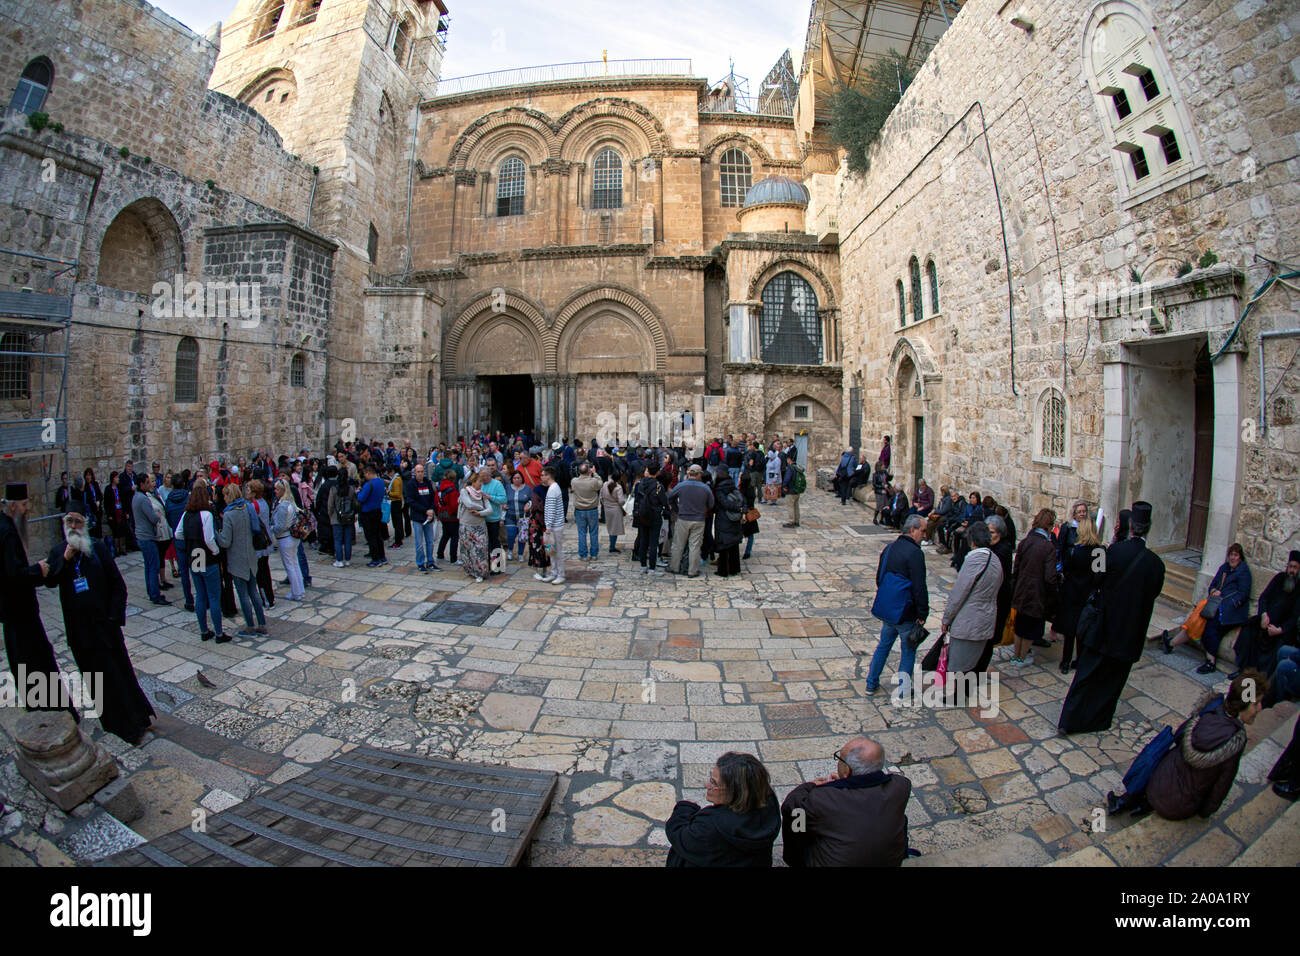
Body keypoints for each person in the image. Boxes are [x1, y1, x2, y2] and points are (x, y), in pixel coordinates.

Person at [44, 507, 155, 744]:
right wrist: (65, 559)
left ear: (84, 523)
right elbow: (51, 581)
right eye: (69, 521)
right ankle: (118, 727)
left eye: (77, 521)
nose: (73, 526)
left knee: (120, 674)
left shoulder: (97, 548)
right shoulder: (57, 553)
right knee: (98, 681)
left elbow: (117, 584)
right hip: (81, 633)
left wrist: (114, 618)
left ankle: (137, 720)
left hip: (105, 627)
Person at [1059, 501, 1166, 735]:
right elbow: (1154, 592)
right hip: (1130, 631)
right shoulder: (1156, 565)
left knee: (1086, 674)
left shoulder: (1109, 552)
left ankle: (1069, 720)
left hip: (1103, 625)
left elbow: (1095, 579)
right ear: (1147, 528)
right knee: (1113, 681)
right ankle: (1098, 719)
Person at [1110, 672, 1268, 821]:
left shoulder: (1211, 708)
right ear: (1242, 705)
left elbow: (1179, 737)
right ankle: (1143, 805)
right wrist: (1206, 812)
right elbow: (1222, 784)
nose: (1260, 708)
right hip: (1178, 806)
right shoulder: (1235, 739)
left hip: (1156, 783)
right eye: (1256, 704)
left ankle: (1130, 801)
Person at [1, 483, 73, 717]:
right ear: (12, 506)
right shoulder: (8, 533)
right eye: (23, 505)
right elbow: (14, 576)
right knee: (36, 662)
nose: (27, 509)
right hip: (20, 613)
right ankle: (51, 711)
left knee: (28, 663)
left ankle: (42, 707)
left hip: (14, 614)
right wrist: (38, 570)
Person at [780, 737, 911, 867]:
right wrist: (843, 784)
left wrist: (809, 786)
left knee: (798, 819)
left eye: (840, 759)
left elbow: (792, 806)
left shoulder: (821, 799)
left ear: (847, 770)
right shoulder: (901, 786)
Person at [665, 752, 779, 867]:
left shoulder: (711, 826)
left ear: (733, 791)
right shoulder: (767, 798)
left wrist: (685, 808)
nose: (707, 785)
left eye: (714, 783)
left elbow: (678, 834)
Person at [1165, 543, 1252, 674]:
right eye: (1231, 555)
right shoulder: (1224, 568)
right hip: (1215, 606)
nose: (1233, 558)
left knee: (1210, 626)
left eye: (1236, 555)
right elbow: (1213, 585)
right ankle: (1171, 643)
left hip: (1231, 611)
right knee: (1197, 619)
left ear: (1240, 557)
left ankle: (1210, 662)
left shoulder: (1243, 572)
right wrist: (1214, 591)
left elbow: (1243, 594)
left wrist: (1223, 600)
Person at [866, 515, 929, 695]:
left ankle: (871, 682)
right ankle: (903, 691)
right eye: (923, 531)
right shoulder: (915, 553)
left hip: (890, 610)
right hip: (906, 613)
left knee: (883, 646)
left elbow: (880, 578)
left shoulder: (889, 548)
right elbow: (919, 586)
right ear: (912, 530)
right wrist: (923, 612)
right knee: (908, 651)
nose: (924, 535)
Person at [940, 521, 1003, 679]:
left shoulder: (974, 560)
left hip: (968, 620)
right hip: (986, 619)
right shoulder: (995, 560)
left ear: (972, 540)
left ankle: (955, 695)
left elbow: (958, 594)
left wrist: (947, 619)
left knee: (958, 664)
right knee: (973, 662)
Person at [1231, 550, 1300, 674]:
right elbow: (1264, 598)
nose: (1291, 570)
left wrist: (1279, 630)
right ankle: (1244, 669)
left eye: (1295, 568)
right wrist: (1263, 614)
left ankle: (1261, 678)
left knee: (1278, 648)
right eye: (1290, 566)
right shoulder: (1279, 578)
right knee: (1248, 631)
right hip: (1266, 620)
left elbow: (1295, 616)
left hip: (1281, 629)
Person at [1009, 509, 1062, 667]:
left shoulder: (1025, 542)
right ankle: (1023, 657)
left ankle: (1016, 656)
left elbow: (1016, 568)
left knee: (1020, 625)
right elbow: (1050, 577)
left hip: (1021, 590)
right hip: (1037, 594)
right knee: (1030, 628)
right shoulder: (1048, 547)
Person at [216, 483, 267, 638]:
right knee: (254, 592)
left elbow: (225, 541)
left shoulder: (229, 514)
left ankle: (250, 626)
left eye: (225, 495)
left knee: (243, 595)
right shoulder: (247, 508)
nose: (223, 498)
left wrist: (216, 533)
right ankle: (262, 624)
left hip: (237, 559)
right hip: (250, 556)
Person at [1055, 517, 1105, 674]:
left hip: (1073, 593)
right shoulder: (1099, 552)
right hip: (1087, 595)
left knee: (1070, 631)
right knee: (1083, 629)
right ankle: (1080, 660)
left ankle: (1065, 662)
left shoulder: (1076, 551)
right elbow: (1099, 575)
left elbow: (1067, 569)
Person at [176, 483, 225, 642]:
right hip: (208, 557)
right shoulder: (206, 514)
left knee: (200, 595)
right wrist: (216, 551)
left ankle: (204, 630)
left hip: (194, 556)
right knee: (214, 596)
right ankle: (219, 633)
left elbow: (178, 534)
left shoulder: (186, 515)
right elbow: (209, 539)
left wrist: (191, 540)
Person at [131, 473, 170, 606]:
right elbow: (153, 518)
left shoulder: (136, 497)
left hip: (142, 536)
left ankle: (151, 592)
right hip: (147, 537)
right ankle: (155, 594)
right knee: (153, 566)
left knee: (149, 566)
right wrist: (157, 516)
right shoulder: (143, 499)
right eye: (147, 482)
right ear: (142, 484)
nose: (150, 484)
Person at [668, 465, 714, 577]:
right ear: (699, 474)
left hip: (683, 518)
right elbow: (711, 504)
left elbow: (671, 498)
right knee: (695, 546)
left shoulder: (681, 486)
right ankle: (692, 571)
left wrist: (677, 509)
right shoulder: (705, 488)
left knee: (678, 544)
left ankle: (675, 567)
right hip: (699, 519)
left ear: (689, 473)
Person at [272, 479, 306, 600]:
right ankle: (299, 590)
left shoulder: (282, 506)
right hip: (293, 538)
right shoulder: (291, 503)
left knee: (290, 566)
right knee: (295, 564)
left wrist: (271, 528)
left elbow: (280, 526)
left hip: (285, 538)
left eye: (277, 489)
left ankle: (296, 593)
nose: (275, 491)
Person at [403, 463, 440, 573]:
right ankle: (420, 562)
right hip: (418, 516)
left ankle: (430, 561)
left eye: (422, 471)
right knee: (419, 543)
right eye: (418, 472)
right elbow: (411, 501)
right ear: (415, 473)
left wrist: (431, 510)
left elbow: (433, 497)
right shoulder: (411, 485)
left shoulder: (428, 483)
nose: (420, 474)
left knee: (430, 541)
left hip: (428, 516)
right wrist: (425, 510)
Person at [458, 471, 493, 583]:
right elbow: (468, 504)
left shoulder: (482, 494)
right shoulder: (464, 491)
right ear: (473, 482)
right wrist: (481, 507)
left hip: (479, 526)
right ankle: (470, 570)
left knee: (480, 550)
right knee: (467, 549)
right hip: (466, 526)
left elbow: (490, 510)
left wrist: (480, 513)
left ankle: (480, 572)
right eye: (479, 481)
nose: (481, 484)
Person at [633, 462, 668, 574]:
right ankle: (652, 567)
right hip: (654, 515)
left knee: (643, 540)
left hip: (642, 515)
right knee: (653, 542)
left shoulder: (641, 484)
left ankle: (643, 566)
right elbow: (664, 502)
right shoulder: (658, 486)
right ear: (657, 472)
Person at [713, 473, 745, 577]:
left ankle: (722, 571)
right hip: (734, 521)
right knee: (734, 545)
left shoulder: (719, 490)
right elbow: (743, 501)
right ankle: (734, 568)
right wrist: (740, 509)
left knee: (723, 545)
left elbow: (724, 503)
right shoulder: (733, 487)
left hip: (723, 519)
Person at [356, 464, 387, 568]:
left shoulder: (369, 484)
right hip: (378, 510)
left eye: (365, 474)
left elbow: (361, 498)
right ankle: (382, 556)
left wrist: (358, 492)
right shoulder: (380, 482)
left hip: (368, 512)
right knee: (378, 535)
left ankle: (375, 559)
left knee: (371, 536)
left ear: (368, 473)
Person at [570, 462, 603, 562]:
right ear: (589, 471)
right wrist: (595, 473)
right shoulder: (593, 481)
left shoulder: (574, 481)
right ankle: (594, 554)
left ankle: (583, 555)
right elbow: (600, 484)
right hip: (592, 509)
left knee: (581, 533)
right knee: (593, 532)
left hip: (579, 510)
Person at [329, 464, 358, 568]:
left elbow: (330, 505)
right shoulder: (350, 488)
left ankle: (339, 560)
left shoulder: (334, 489)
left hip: (337, 517)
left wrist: (330, 515)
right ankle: (347, 559)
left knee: (337, 540)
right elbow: (354, 503)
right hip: (349, 517)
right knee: (347, 539)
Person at [541, 465, 566, 585]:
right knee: (551, 550)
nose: (541, 477)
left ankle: (560, 574)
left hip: (554, 527)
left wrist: (548, 527)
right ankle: (554, 572)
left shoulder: (552, 490)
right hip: (553, 526)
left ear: (548, 476)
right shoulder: (554, 488)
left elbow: (551, 510)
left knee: (557, 551)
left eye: (542, 475)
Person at [480, 465, 507, 565]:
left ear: (489, 475)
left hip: (493, 519)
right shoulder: (479, 484)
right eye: (481, 476)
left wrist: (490, 497)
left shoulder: (497, 484)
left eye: (485, 476)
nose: (483, 478)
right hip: (481, 518)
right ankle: (485, 563)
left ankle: (498, 565)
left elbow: (503, 499)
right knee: (484, 543)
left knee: (495, 543)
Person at [435, 468, 460, 565]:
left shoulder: (440, 486)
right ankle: (453, 558)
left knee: (445, 534)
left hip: (442, 513)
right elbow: (454, 506)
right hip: (451, 515)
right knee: (454, 536)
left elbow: (436, 500)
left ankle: (440, 553)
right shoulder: (452, 489)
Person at [599, 473, 625, 555]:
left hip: (607, 508)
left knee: (610, 527)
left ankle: (612, 545)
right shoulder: (618, 487)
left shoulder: (604, 484)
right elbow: (621, 501)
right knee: (615, 528)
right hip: (616, 509)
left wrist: (605, 504)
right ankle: (612, 547)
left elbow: (601, 496)